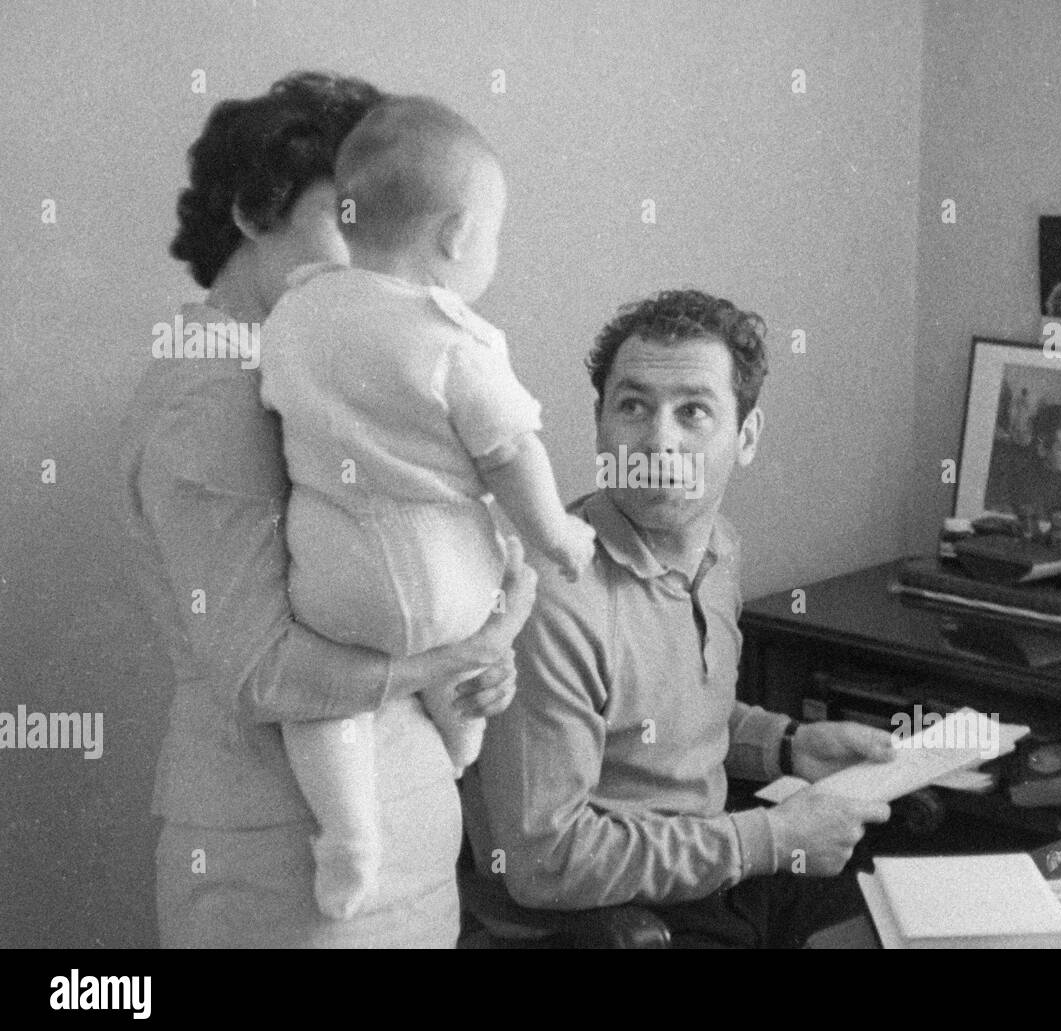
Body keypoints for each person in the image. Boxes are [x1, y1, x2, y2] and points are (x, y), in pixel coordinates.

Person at [119, 72, 536, 948]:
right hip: (287, 880)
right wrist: (460, 649)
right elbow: (265, 670)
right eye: (344, 219)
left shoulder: (318, 373)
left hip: (401, 855)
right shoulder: (209, 391)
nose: (374, 258)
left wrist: (470, 666)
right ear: (251, 211)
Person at [461, 289, 895, 949]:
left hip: (709, 863)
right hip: (602, 917)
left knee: (907, 910)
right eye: (633, 406)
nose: (658, 439)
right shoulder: (551, 595)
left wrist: (784, 744)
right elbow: (543, 861)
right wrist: (769, 839)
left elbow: (654, 723)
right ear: (600, 423)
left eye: (693, 410)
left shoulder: (718, 547)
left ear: (745, 438)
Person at [258, 95, 595, 920]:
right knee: (474, 639)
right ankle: (460, 741)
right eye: (494, 233)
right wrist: (555, 534)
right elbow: (512, 450)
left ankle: (348, 836)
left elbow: (277, 410)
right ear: (454, 236)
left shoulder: (297, 310)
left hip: (336, 583)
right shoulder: (456, 337)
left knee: (327, 706)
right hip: (446, 578)